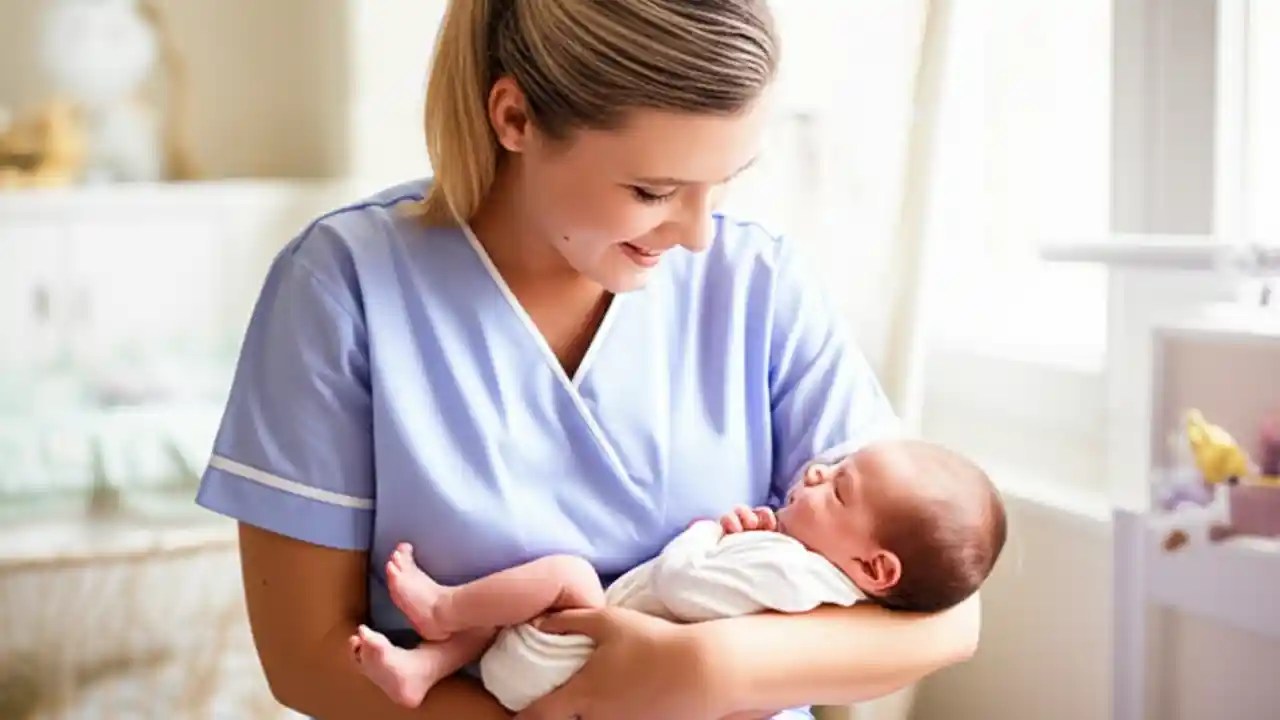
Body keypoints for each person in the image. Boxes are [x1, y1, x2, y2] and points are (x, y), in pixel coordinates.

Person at [193, 0, 983, 718]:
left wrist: (707, 668)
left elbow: (942, 613)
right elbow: (307, 660)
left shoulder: (757, 283)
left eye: (723, 184)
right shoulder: (342, 287)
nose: (697, 236)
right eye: (652, 189)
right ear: (514, 117)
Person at [347, 439, 1006, 711]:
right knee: (518, 611)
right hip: (580, 676)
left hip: (576, 668)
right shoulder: (824, 587)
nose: (816, 472)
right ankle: (422, 670)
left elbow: (681, 586)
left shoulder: (791, 568)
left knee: (561, 576)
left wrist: (709, 532)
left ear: (874, 566)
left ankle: (441, 612)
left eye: (839, 490)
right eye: (835, 466)